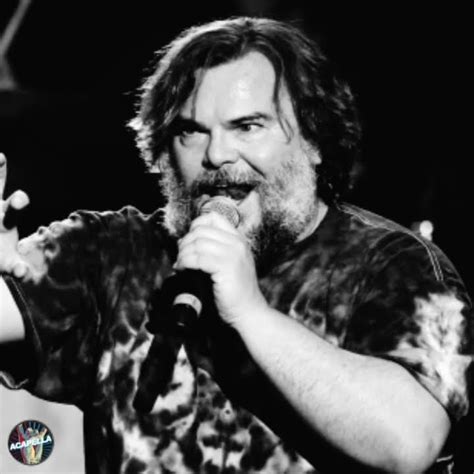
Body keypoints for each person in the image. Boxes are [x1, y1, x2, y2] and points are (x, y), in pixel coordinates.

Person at [0, 17, 471, 473]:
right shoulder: (115, 253)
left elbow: (409, 445)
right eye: (191, 130)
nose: (217, 156)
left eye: (247, 126)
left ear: (314, 140)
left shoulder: (394, 264)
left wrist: (251, 313)